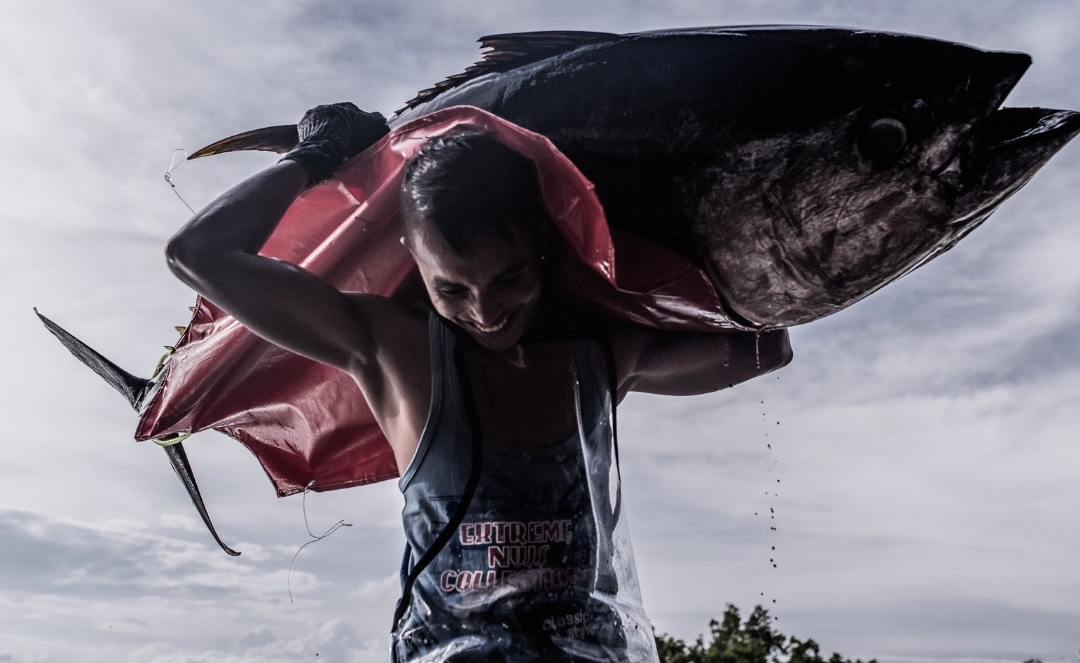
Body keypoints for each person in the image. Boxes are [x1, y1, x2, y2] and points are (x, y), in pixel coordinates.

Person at [166, 103, 792, 662]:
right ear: (415, 256)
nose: (487, 312)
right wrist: (318, 153)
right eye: (452, 289)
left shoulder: (599, 354)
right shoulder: (395, 351)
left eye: (508, 279)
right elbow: (198, 254)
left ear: (545, 245)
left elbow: (766, 345)